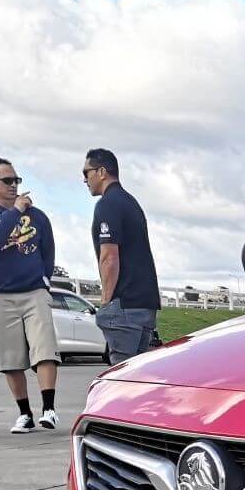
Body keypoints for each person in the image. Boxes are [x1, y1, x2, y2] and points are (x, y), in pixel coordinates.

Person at [0, 156, 59, 431]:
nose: (14, 185)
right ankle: (24, 413)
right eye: (7, 180)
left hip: (33, 291)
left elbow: (48, 250)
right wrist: (15, 213)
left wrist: (44, 278)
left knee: (44, 348)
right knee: (9, 358)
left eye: (16, 180)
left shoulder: (38, 216)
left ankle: (49, 408)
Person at [84, 148, 160, 363]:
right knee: (140, 376)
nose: (84, 180)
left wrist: (106, 301)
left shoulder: (107, 204)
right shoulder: (130, 202)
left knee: (121, 379)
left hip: (124, 304)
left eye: (86, 173)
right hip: (144, 303)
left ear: (101, 172)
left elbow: (109, 257)